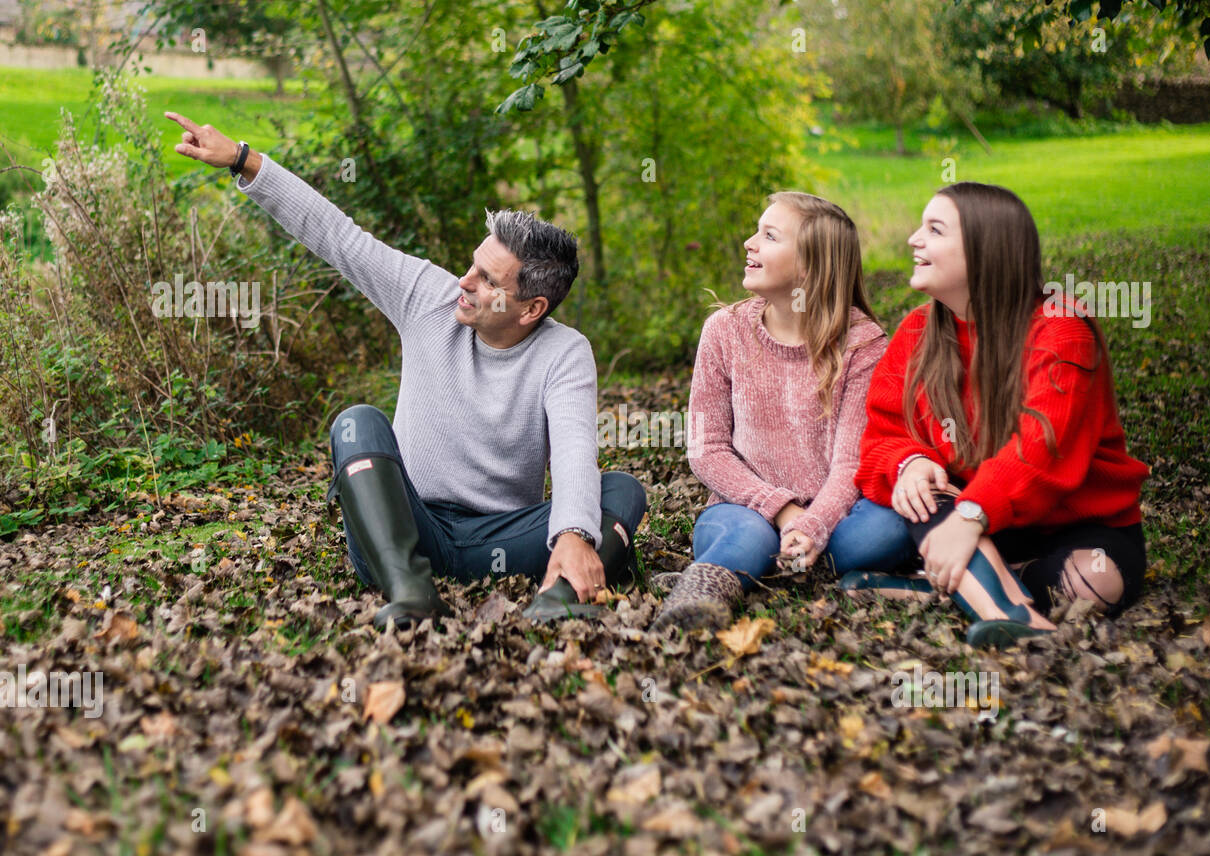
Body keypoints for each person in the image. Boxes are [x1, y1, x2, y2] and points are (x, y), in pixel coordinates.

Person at [164, 112, 645, 628]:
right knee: (357, 423)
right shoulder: (426, 298)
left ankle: (559, 597)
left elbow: (575, 450)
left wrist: (572, 535)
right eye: (471, 264)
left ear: (531, 309)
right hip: (406, 530)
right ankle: (410, 592)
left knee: (620, 492)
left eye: (486, 280)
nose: (464, 281)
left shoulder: (564, 352)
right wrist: (243, 159)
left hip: (501, 542)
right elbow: (338, 236)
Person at [846, 181, 1150, 647]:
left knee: (1097, 582)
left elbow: (1040, 451)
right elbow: (882, 434)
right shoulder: (916, 333)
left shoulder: (1062, 330)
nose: (914, 239)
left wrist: (971, 517)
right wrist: (907, 462)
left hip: (1071, 524)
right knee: (928, 489)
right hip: (972, 514)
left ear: (987, 249)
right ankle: (1011, 615)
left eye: (935, 229)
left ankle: (951, 583)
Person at [652, 192, 912, 631]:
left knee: (888, 529)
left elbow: (852, 462)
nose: (749, 244)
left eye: (769, 236)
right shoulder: (724, 331)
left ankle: (770, 566)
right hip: (745, 508)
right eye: (757, 232)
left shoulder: (863, 346)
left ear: (810, 265)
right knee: (746, 535)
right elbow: (707, 448)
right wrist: (782, 510)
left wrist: (815, 523)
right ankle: (703, 594)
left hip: (839, 515)